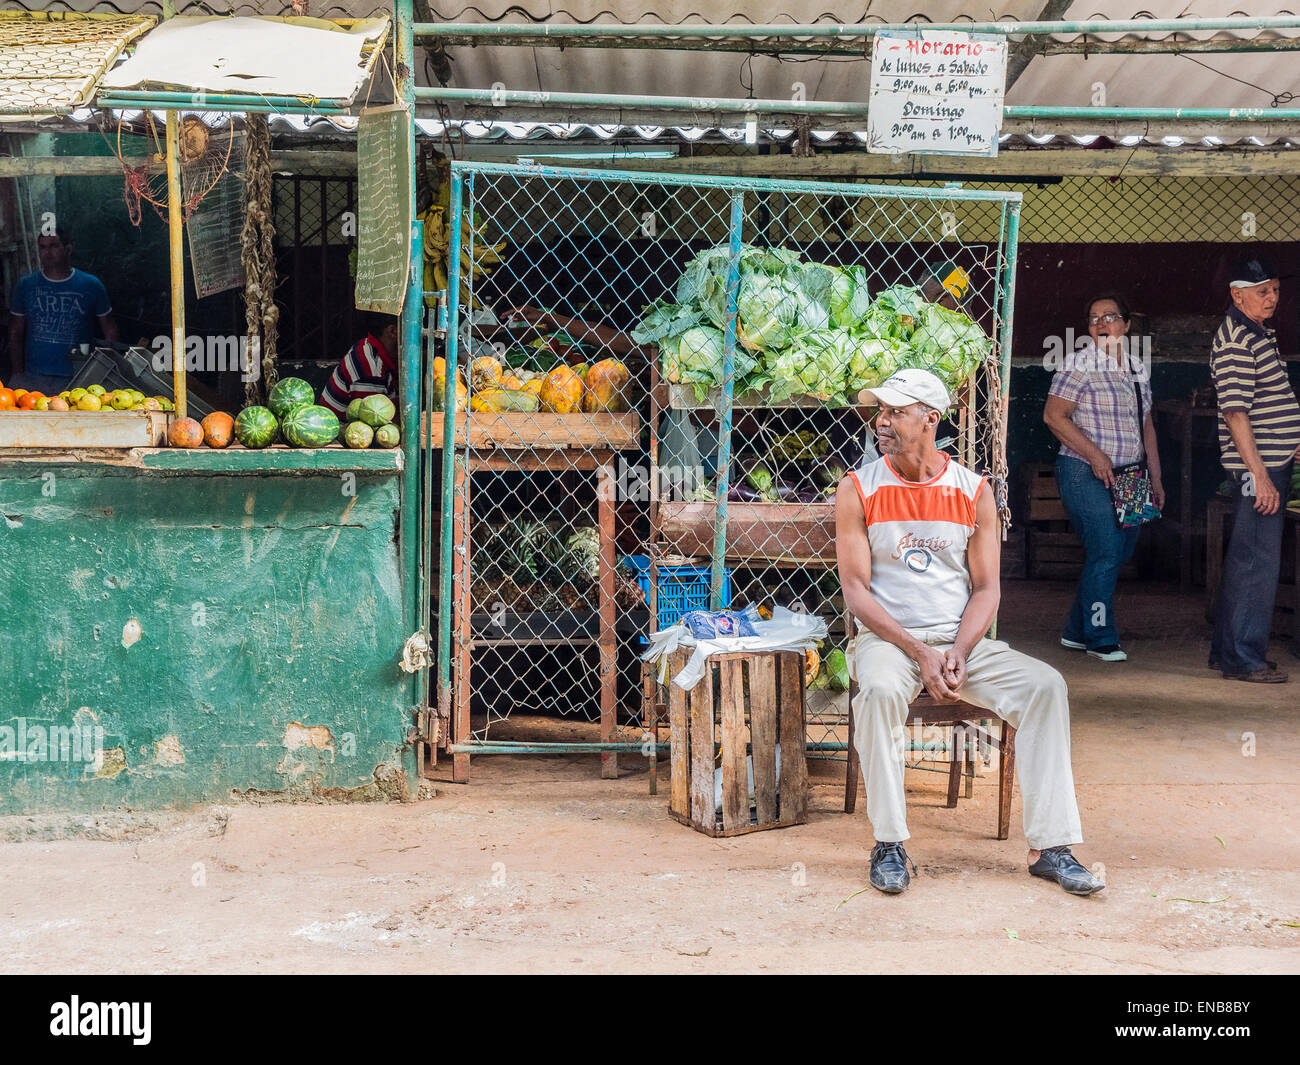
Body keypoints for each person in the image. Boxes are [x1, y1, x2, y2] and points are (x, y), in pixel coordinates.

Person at [837, 368, 1102, 897]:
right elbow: (857, 593)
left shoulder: (973, 490)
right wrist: (918, 650)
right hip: (889, 643)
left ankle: (1051, 848)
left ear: (931, 418)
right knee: (881, 691)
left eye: (895, 411)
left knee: (1045, 686)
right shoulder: (858, 488)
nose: (881, 421)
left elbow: (986, 590)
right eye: (881, 411)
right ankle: (889, 842)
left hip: (962, 644)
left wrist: (957, 650)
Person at [1043, 295, 1164, 662]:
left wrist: (1155, 480)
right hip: (1085, 471)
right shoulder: (1078, 364)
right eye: (1094, 318)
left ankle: (1075, 631)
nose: (1101, 324)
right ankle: (1100, 636)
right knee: (1107, 550)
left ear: (1126, 325)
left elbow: (1146, 425)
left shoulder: (1137, 368)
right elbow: (1054, 416)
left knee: (1120, 552)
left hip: (1130, 474)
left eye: (1110, 317)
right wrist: (1096, 456)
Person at [1208, 257, 1300, 683]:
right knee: (1255, 561)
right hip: (1257, 471)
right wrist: (1259, 474)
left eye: (1276, 290)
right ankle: (1243, 659)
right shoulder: (1235, 342)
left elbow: (1267, 401)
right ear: (1237, 294)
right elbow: (1235, 413)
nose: (1272, 298)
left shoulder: (1257, 334)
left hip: (1272, 462)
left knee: (1252, 557)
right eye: (1262, 290)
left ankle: (1230, 651)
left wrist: (1290, 438)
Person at [7, 230, 118, 394]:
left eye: (54, 246)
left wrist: (99, 372)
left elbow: (110, 330)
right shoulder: (26, 285)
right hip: (34, 378)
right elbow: (15, 333)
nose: (48, 252)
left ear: (68, 249)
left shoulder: (90, 285)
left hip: (77, 379)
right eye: (43, 247)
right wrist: (17, 374)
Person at [319, 312, 400, 417]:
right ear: (393, 331)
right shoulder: (371, 371)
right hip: (344, 427)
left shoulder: (369, 344)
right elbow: (372, 419)